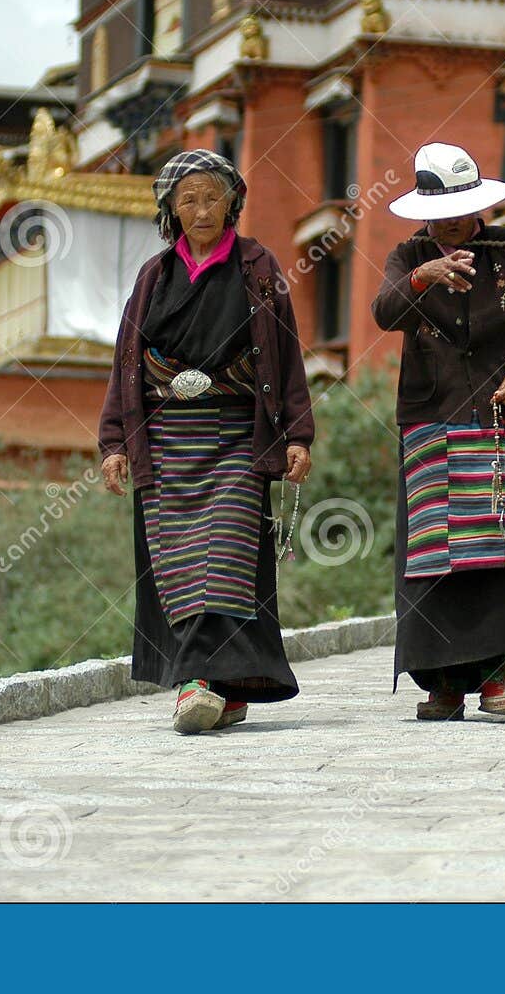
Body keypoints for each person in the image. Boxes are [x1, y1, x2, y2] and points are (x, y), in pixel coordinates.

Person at [98, 150, 314, 735]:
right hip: (167, 439)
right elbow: (127, 363)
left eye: (212, 198)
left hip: (238, 436)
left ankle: (198, 682)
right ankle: (223, 684)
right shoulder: (155, 276)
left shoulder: (258, 266)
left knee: (226, 557)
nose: (201, 210)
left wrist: (298, 432)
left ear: (231, 205)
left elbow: (285, 354)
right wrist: (115, 440)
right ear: (171, 208)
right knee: (177, 563)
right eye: (188, 199)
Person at [372, 142, 505, 721]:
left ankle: (501, 675)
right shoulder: (407, 254)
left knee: (504, 554)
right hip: (432, 420)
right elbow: (384, 312)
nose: (455, 219)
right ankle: (443, 683)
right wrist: (424, 277)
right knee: (438, 554)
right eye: (443, 209)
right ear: (426, 210)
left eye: (463, 205)